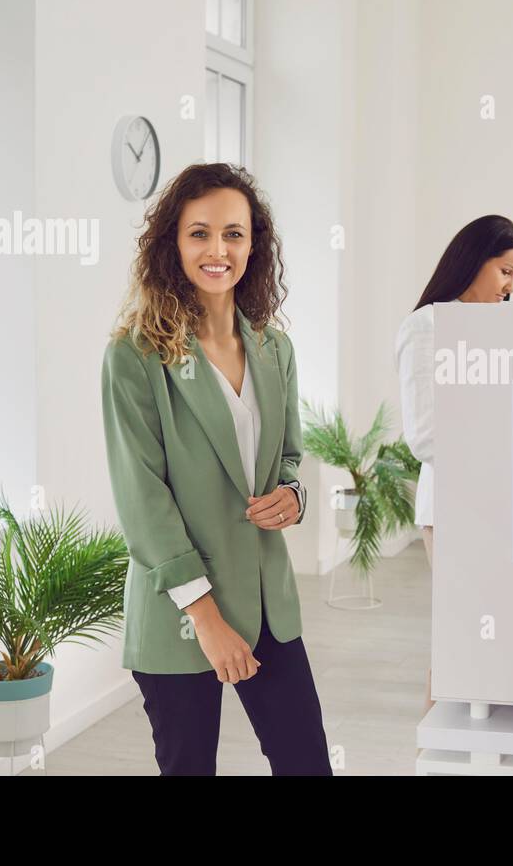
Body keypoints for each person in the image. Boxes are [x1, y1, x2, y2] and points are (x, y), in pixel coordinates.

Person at [101, 162, 331, 776]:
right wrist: (205, 619)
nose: (217, 249)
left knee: (307, 763)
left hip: (267, 605)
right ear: (172, 245)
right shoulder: (134, 355)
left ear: (254, 244)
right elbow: (141, 498)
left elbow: (288, 455)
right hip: (181, 612)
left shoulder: (273, 347)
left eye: (234, 233)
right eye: (199, 233)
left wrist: (292, 496)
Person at [395, 214, 513, 722]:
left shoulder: (500, 328)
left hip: (503, 502)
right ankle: (438, 742)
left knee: (483, 626)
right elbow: (425, 433)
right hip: (453, 506)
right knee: (460, 627)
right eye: (505, 271)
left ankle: (476, 736)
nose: (512, 286)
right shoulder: (426, 327)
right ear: (473, 262)